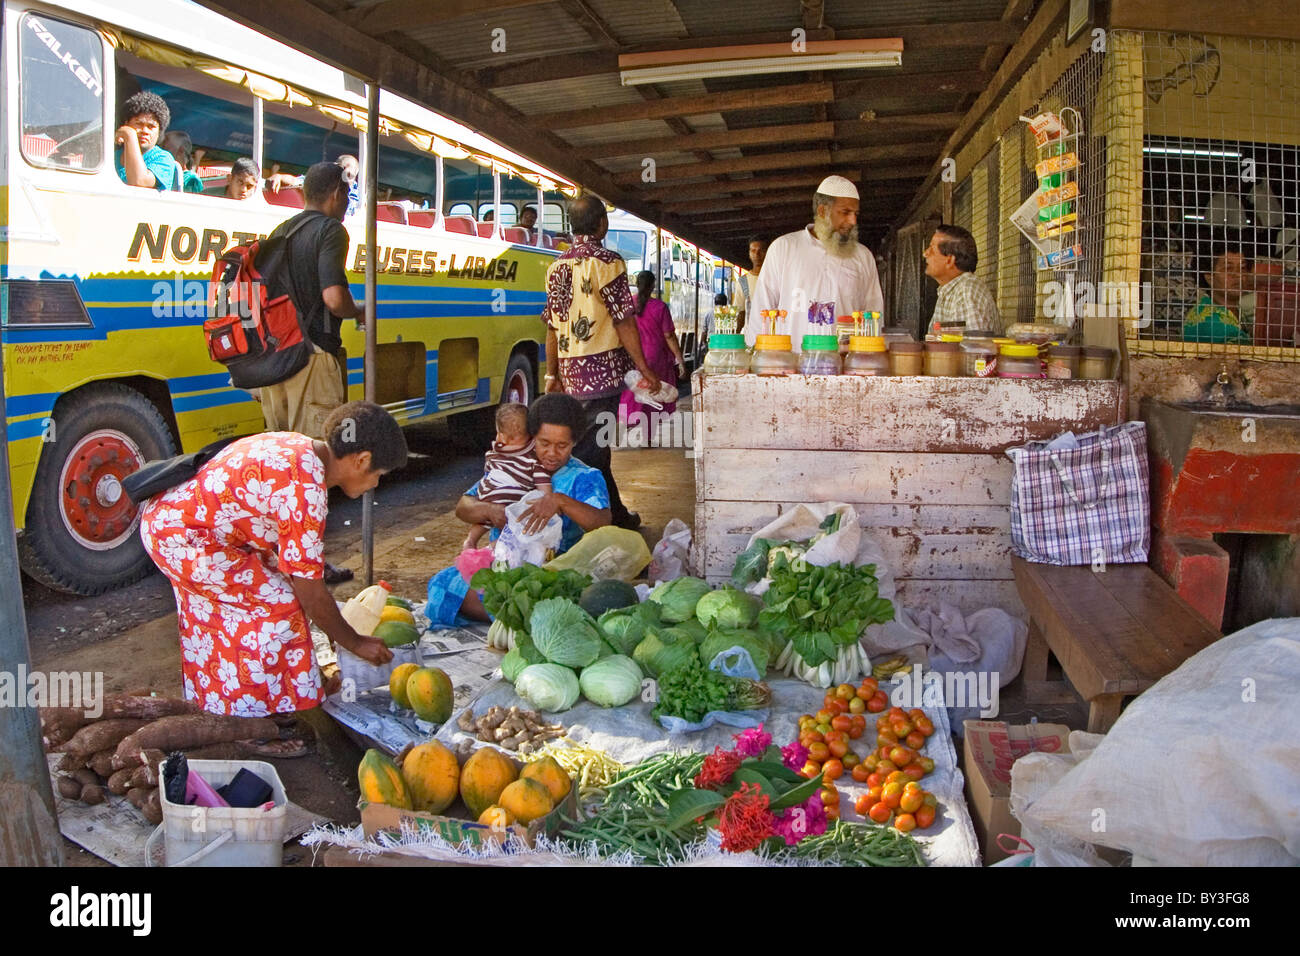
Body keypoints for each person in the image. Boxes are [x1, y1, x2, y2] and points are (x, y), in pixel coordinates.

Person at [140, 401, 406, 718]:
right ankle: (252, 719)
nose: (375, 484)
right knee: (280, 606)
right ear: (362, 460)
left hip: (173, 522)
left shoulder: (301, 448)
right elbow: (311, 593)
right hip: (187, 538)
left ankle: (218, 706)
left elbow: (297, 565)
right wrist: (354, 642)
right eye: (378, 474)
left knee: (220, 613)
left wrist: (339, 632)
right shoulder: (307, 490)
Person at [425, 394, 611, 625]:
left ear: (575, 442)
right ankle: (524, 617)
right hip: (503, 568)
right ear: (531, 438)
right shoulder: (512, 466)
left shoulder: (583, 477)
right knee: (442, 584)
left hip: (552, 576)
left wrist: (560, 501)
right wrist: (490, 510)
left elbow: (602, 521)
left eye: (561, 446)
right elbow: (463, 507)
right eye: (544, 443)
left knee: (550, 600)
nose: (551, 453)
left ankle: (522, 616)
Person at [542, 194, 661, 530]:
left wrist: (552, 373)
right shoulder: (609, 262)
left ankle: (615, 517)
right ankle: (593, 523)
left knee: (592, 448)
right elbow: (623, 320)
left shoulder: (556, 267)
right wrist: (645, 368)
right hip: (602, 379)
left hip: (569, 374)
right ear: (601, 224)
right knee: (593, 452)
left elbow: (552, 325)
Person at [748, 176, 883, 347]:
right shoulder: (784, 248)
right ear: (822, 211)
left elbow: (874, 316)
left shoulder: (863, 257)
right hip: (791, 366)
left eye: (855, 214)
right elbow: (762, 311)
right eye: (845, 212)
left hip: (845, 366)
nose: (853, 221)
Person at [462, 403, 553, 550]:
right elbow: (544, 487)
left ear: (503, 437)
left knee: (484, 521)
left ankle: (471, 540)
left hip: (487, 492)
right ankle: (493, 547)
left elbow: (489, 472)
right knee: (515, 526)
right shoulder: (532, 458)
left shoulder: (495, 453)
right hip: (511, 499)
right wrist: (547, 498)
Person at [620, 271, 686, 439]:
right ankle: (648, 437)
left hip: (632, 356)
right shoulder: (659, 307)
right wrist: (680, 360)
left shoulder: (627, 304)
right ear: (653, 286)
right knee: (654, 397)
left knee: (632, 393)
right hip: (656, 358)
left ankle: (624, 422)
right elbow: (669, 336)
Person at [923, 223, 1003, 334]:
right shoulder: (950, 290)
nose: (925, 253)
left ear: (950, 260)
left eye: (931, 248)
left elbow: (974, 348)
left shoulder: (967, 291)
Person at [1184, 244, 1253, 344]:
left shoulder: (1236, 311)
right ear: (1209, 278)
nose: (1238, 275)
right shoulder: (1210, 323)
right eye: (1228, 269)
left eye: (1242, 268)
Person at [115, 91, 182, 191]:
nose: (145, 131)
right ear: (126, 123)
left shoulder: (162, 158)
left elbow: (139, 181)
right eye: (138, 124)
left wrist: (129, 134)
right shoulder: (111, 157)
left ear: (159, 131)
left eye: (151, 127)